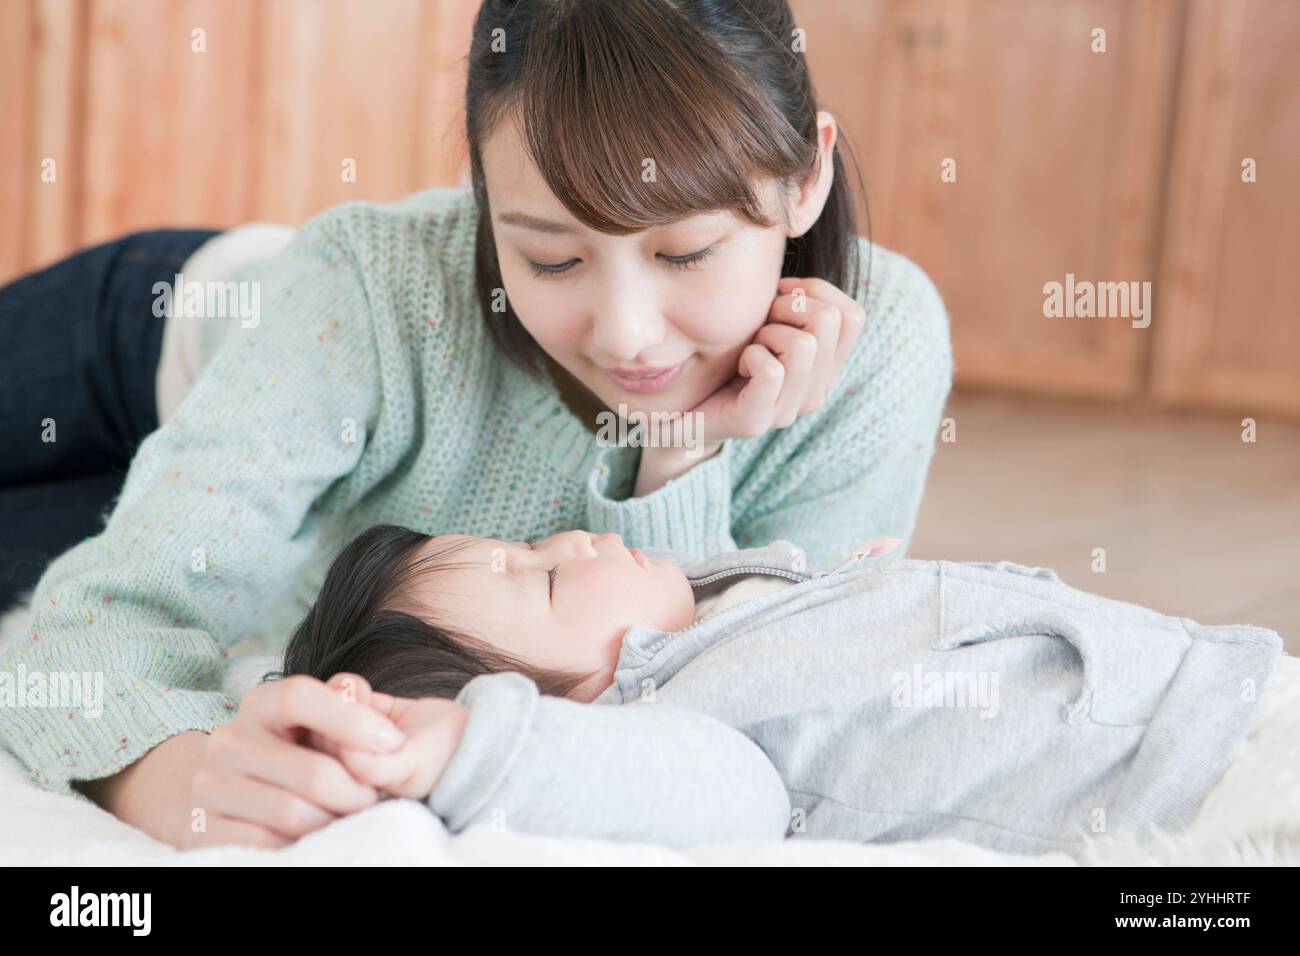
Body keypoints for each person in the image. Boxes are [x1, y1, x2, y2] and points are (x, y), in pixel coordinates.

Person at [0, 0, 953, 850]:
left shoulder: (885, 347)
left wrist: (677, 459)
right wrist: (179, 780)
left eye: (685, 251)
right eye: (549, 258)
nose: (627, 334)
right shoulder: (366, 289)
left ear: (807, 175)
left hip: (262, 519)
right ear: (484, 203)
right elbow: (107, 616)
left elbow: (767, 711)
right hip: (148, 343)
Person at [259, 523, 1287, 854]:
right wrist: (457, 744)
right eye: (549, 575)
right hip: (1197, 780)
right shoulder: (683, 722)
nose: (568, 535)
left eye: (529, 546)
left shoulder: (713, 614)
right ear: (571, 710)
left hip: (1222, 686)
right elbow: (712, 789)